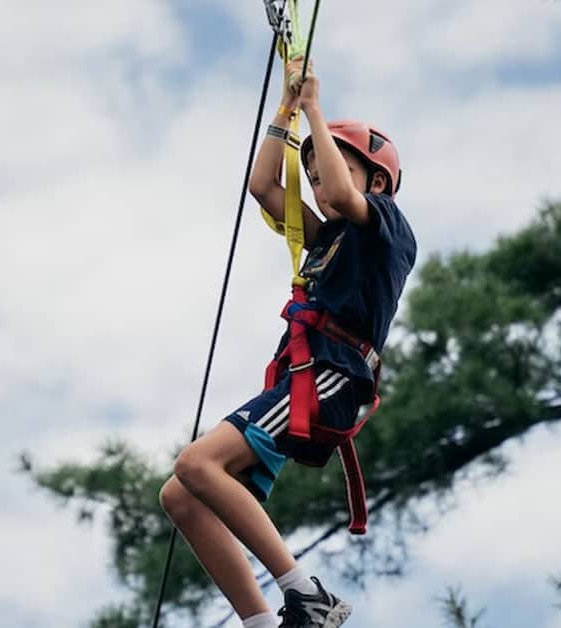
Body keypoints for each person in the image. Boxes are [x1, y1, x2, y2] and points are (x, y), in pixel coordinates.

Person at [158, 55, 417, 628]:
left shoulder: (388, 230)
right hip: (307, 376)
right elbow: (262, 186)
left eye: (331, 171)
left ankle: (309, 595)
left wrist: (317, 112)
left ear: (376, 181)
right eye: (317, 177)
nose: (321, 184)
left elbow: (352, 201)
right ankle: (263, 623)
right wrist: (286, 112)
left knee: (197, 463)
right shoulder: (327, 239)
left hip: (333, 375)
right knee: (181, 495)